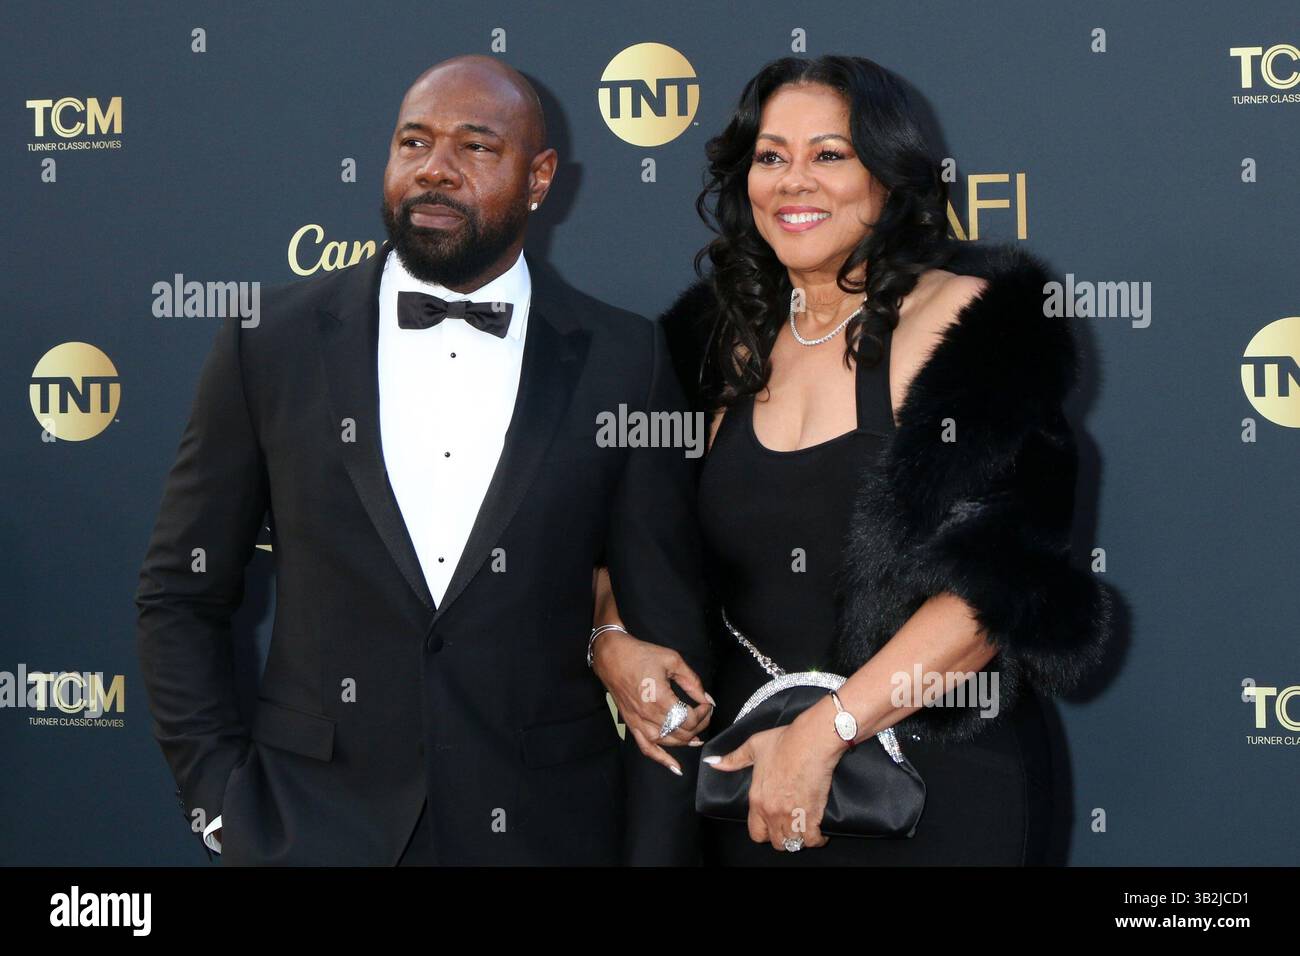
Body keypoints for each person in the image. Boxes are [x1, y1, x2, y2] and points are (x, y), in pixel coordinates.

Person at [135, 54, 713, 866]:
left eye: (476, 148)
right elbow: (179, 594)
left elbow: (666, 630)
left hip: (547, 830)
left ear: (539, 177)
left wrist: (651, 851)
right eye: (414, 142)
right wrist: (219, 802)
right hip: (312, 828)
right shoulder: (270, 342)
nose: (434, 170)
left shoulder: (627, 359)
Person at [591, 54, 1113, 864]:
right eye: (772, 157)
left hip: (938, 780)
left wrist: (827, 732)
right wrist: (611, 634)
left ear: (890, 177)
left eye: (829, 155)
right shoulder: (704, 345)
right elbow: (627, 535)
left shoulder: (971, 323)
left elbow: (994, 590)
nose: (795, 181)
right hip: (748, 780)